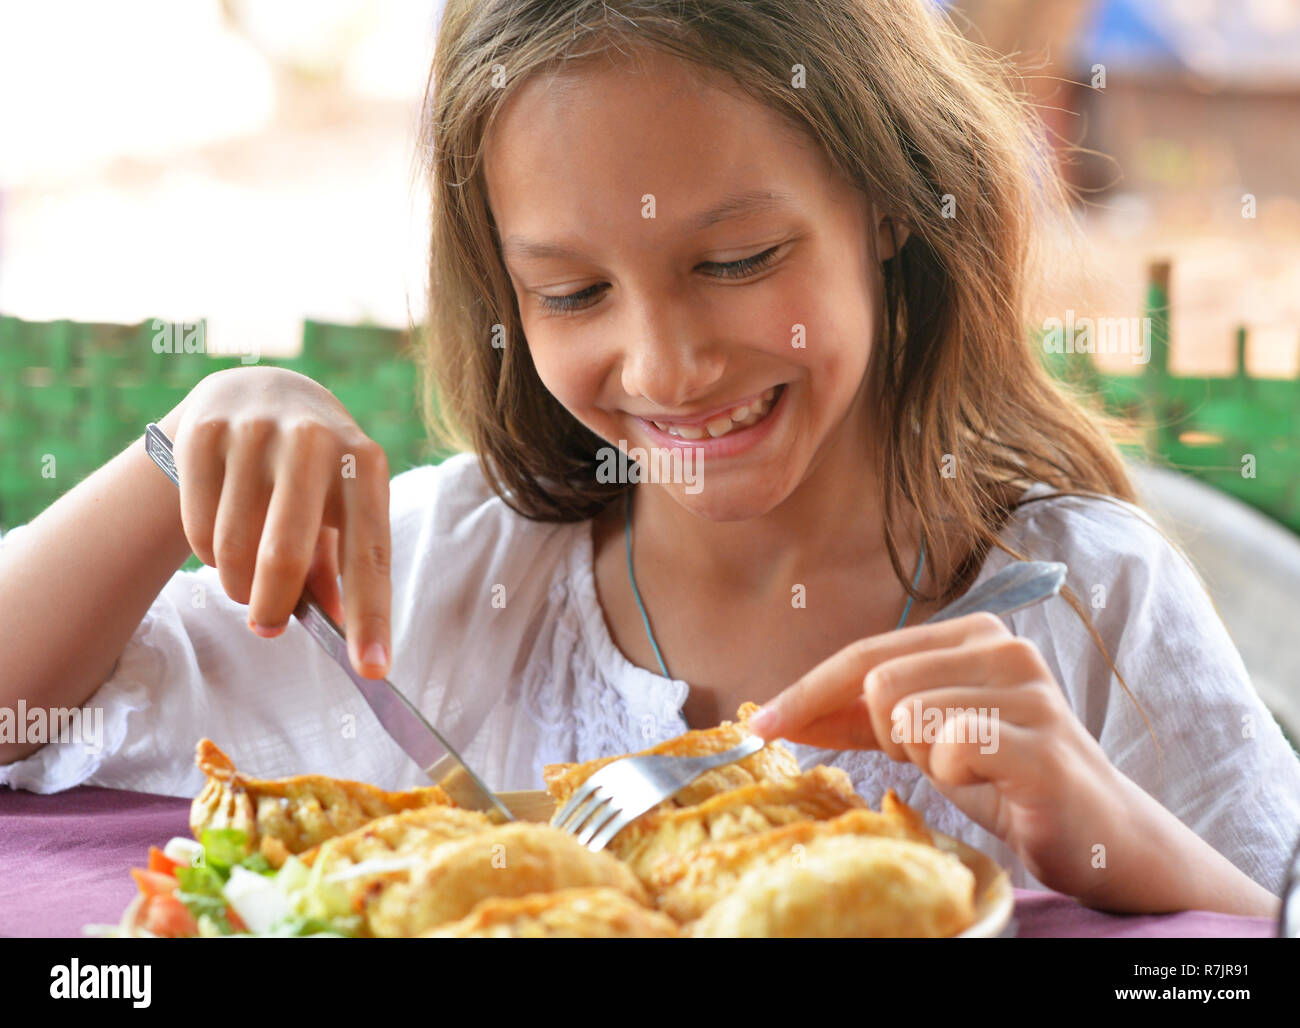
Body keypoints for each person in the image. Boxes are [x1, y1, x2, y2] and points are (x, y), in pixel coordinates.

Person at [2, 0, 1297, 917]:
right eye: (572, 293)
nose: (667, 366)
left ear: (893, 198)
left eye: (736, 262)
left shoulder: (1088, 597)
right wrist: (175, 461)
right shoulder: (445, 583)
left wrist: (1122, 844)